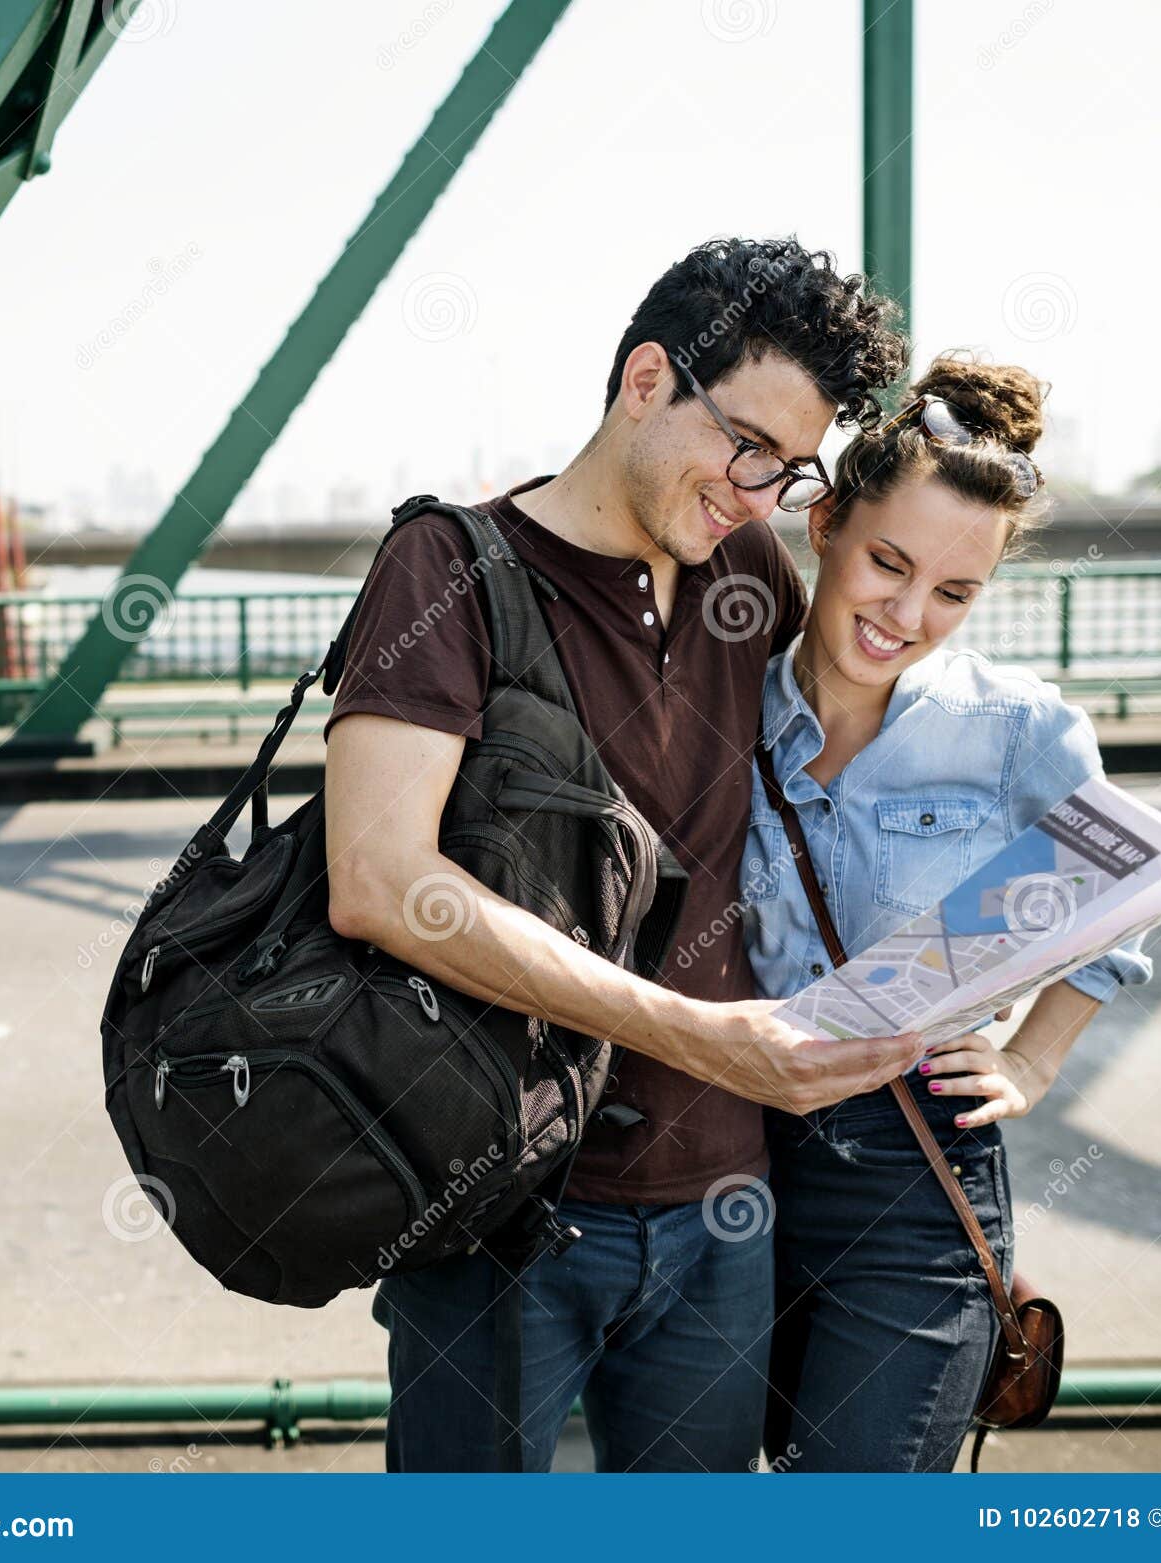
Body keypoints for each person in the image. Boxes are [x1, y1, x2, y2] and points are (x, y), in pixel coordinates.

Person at [323, 237, 919, 1471]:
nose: (759, 497)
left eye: (790, 471)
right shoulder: (444, 570)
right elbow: (377, 882)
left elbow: (853, 781)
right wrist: (688, 1032)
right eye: (746, 447)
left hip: (725, 1206)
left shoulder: (744, 565)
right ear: (645, 379)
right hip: (498, 1205)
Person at [741, 354, 1153, 1473]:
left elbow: (1124, 899)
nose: (907, 615)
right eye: (887, 563)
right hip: (719, 1169)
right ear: (824, 523)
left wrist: (1033, 1062)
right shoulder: (718, 708)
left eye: (954, 594)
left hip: (913, 1178)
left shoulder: (1017, 730)